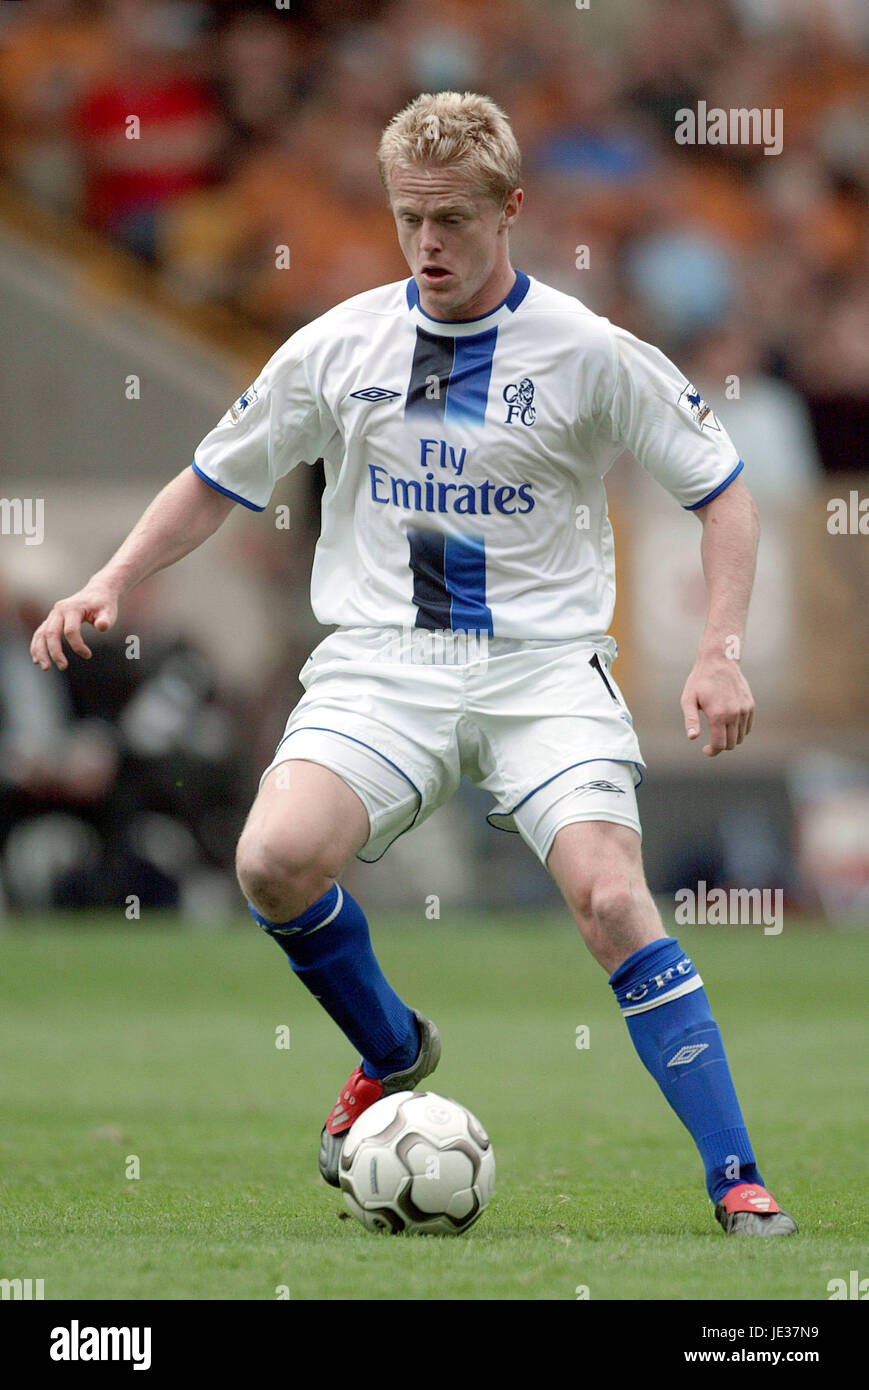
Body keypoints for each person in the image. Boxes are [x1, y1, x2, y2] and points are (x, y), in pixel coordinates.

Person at [31, 91, 796, 1237]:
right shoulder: (340, 344)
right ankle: (393, 1047)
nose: (427, 245)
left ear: (510, 210)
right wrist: (113, 580)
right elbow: (213, 475)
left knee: (609, 896)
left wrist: (718, 653)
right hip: (383, 666)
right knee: (272, 860)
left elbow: (722, 492)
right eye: (407, 220)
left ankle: (737, 1181)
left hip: (542, 669)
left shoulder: (589, 354)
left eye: (450, 220)